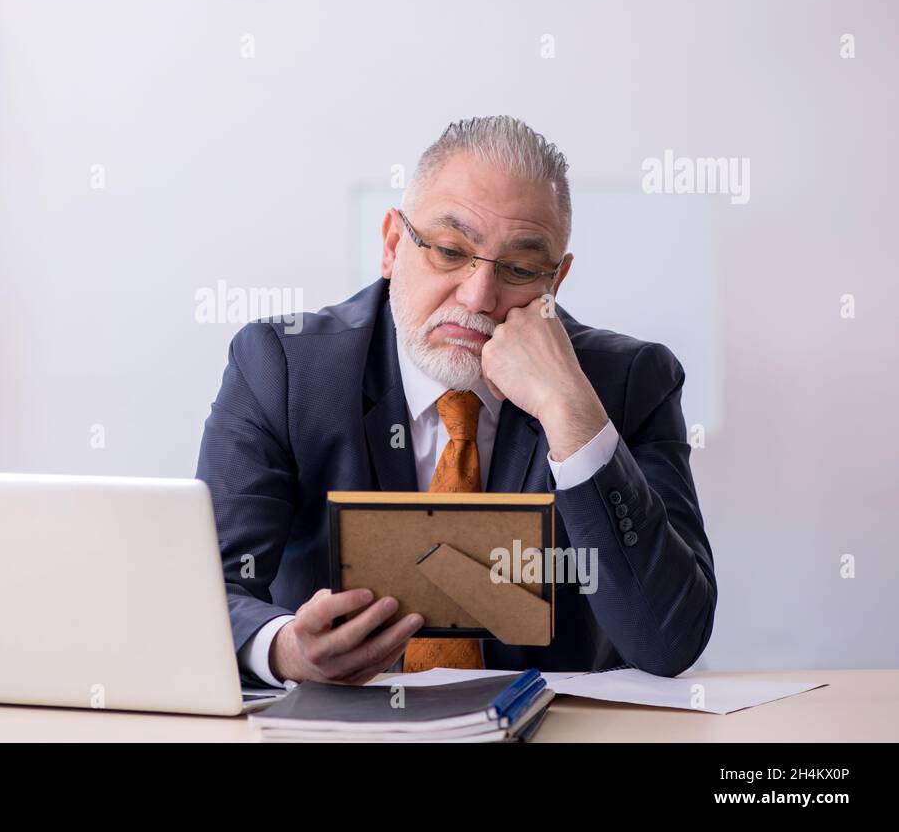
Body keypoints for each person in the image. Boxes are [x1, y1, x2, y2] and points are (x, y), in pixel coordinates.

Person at [196, 115, 717, 686]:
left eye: (519, 269)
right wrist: (287, 650)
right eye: (449, 250)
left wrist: (572, 414)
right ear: (394, 245)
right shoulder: (283, 367)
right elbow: (206, 590)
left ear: (555, 282)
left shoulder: (629, 381)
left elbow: (669, 641)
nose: (479, 297)